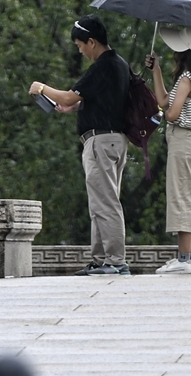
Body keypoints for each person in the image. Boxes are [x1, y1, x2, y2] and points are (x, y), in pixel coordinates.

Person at [30, 15, 131, 276]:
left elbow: (66, 95)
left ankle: (116, 261)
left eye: (80, 46)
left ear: (92, 41)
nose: (81, 51)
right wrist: (74, 107)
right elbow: (103, 102)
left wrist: (42, 88)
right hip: (114, 140)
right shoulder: (120, 65)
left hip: (101, 141)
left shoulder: (103, 65)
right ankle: (100, 260)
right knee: (99, 202)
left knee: (105, 202)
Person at [145, 26, 191, 275]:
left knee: (183, 196)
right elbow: (163, 101)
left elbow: (171, 112)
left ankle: (183, 259)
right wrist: (157, 71)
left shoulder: (186, 79)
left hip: (184, 141)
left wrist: (162, 116)